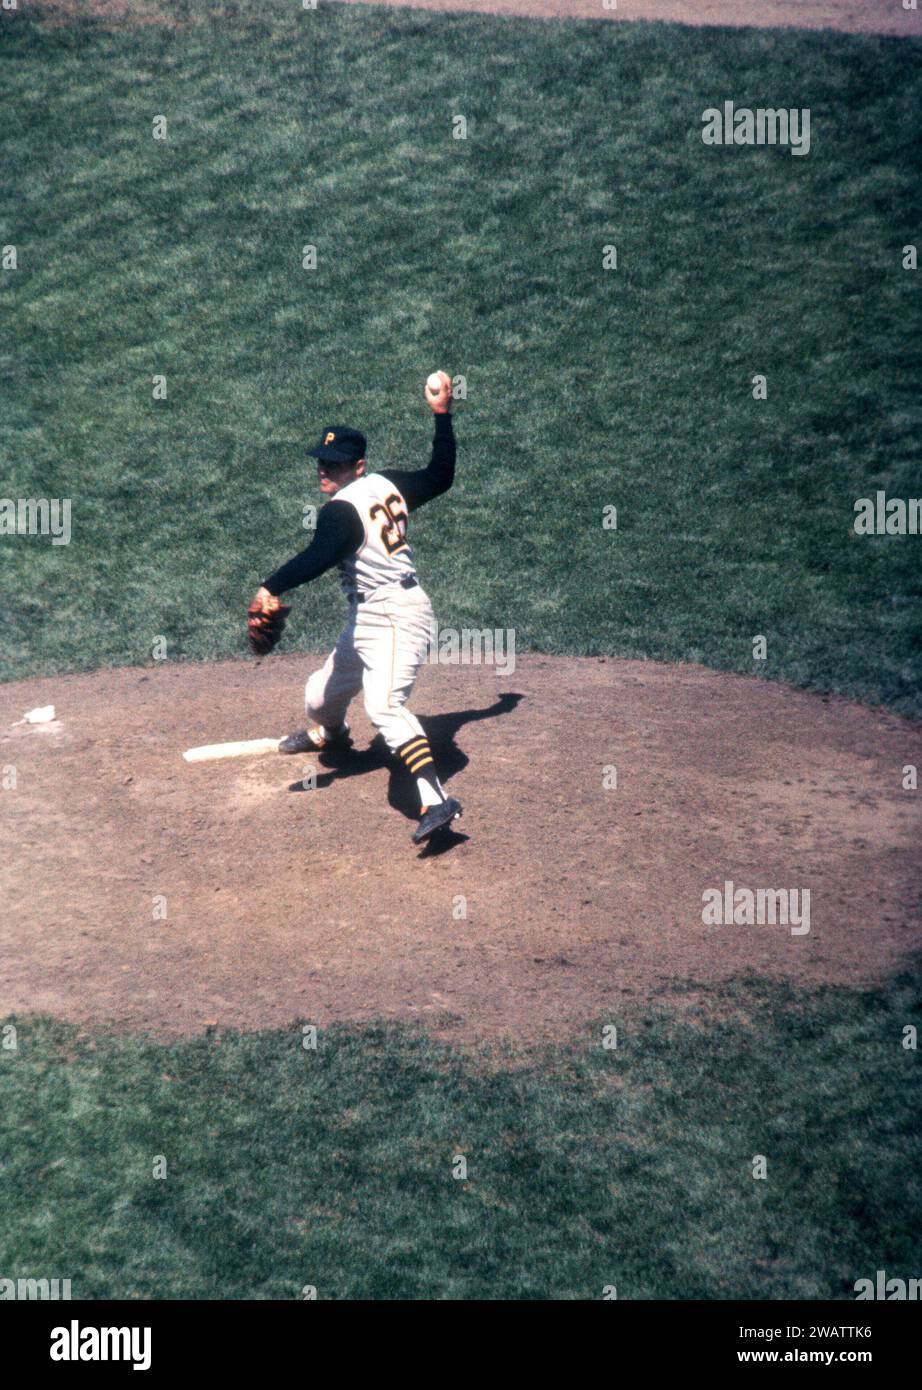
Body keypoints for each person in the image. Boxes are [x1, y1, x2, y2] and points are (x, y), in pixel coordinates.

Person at [248, 372, 462, 844]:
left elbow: (318, 557)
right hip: (367, 616)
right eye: (322, 461)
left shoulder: (341, 510)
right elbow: (440, 476)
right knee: (319, 698)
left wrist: (270, 586)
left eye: (336, 464)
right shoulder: (388, 485)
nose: (325, 470)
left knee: (385, 705)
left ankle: (435, 799)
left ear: (358, 466)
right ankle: (332, 734)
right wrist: (442, 416)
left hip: (396, 616)